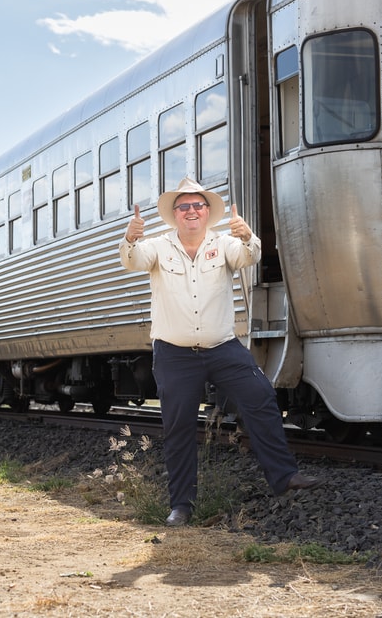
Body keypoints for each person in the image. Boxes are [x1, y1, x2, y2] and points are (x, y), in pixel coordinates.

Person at [119, 177, 323, 527]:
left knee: (260, 396)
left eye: (198, 205)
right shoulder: (158, 246)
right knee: (179, 426)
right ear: (175, 214)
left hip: (222, 348)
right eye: (184, 206)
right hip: (174, 354)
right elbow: (131, 260)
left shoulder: (225, 243)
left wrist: (248, 236)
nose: (191, 211)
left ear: (208, 211)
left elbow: (248, 255)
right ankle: (181, 506)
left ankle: (284, 477)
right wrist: (130, 237)